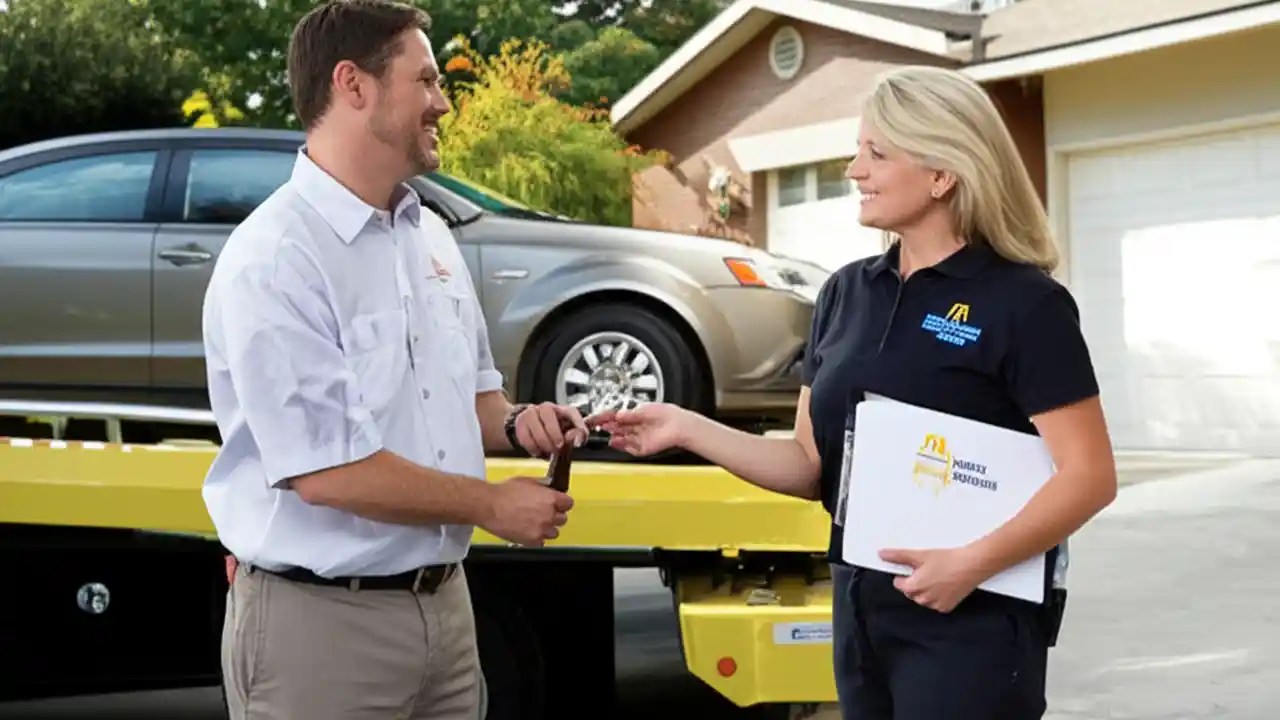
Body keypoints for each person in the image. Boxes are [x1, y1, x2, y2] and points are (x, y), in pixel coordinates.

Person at [589, 65, 1117, 720]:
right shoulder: (845, 292)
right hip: (862, 613)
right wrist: (686, 427)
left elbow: (1089, 475)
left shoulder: (1025, 304)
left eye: (877, 153)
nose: (853, 169)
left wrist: (970, 565)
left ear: (942, 174)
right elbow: (809, 465)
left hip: (973, 623)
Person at [200, 1, 588, 718]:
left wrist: (524, 424)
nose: (442, 103)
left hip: (447, 612)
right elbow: (326, 470)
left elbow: (475, 405)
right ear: (354, 85)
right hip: (321, 628)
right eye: (427, 81)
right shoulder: (277, 257)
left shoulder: (431, 236)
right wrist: (492, 504)